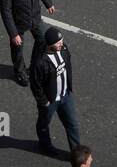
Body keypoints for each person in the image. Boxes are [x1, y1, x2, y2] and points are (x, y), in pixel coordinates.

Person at [0, 0, 55, 87]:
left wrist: (48, 3)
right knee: (17, 49)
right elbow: (5, 11)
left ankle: (34, 65)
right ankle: (19, 72)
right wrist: (13, 34)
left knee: (43, 39)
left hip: (35, 17)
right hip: (18, 22)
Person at [30, 27, 80, 158]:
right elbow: (35, 84)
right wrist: (43, 101)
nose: (61, 44)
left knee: (72, 124)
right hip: (50, 100)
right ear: (49, 45)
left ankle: (77, 154)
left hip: (65, 95)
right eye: (58, 42)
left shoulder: (63, 50)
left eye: (62, 40)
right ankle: (45, 145)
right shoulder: (40, 62)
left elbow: (68, 61)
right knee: (44, 124)